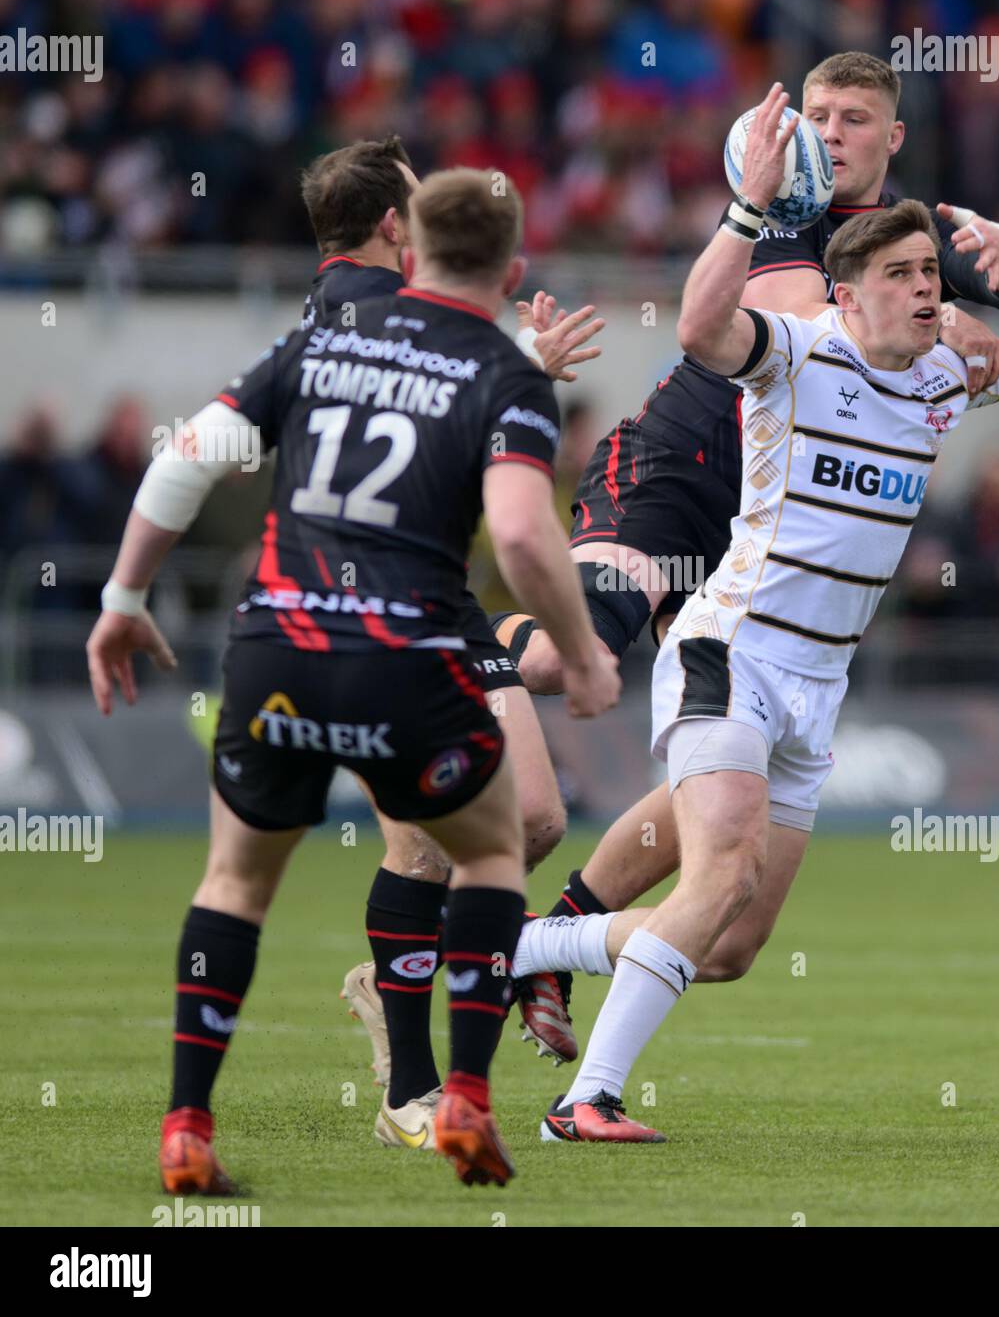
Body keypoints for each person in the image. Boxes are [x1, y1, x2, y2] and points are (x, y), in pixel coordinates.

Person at [505, 86, 999, 1142]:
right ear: (845, 292)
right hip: (731, 648)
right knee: (717, 866)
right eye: (906, 277)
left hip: (818, 687)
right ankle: (584, 1101)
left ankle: (518, 948)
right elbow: (699, 325)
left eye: (933, 274)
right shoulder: (791, 357)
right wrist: (745, 209)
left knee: (730, 943)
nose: (930, 292)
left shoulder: (942, 379)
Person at [481, 50, 999, 1056]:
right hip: (676, 474)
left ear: (893, 138)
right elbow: (797, 325)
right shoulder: (780, 209)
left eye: (854, 117)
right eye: (816, 112)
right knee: (586, 646)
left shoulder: (902, 242)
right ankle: (456, 659)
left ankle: (548, 938)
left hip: (762, 529)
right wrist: (946, 323)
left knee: (710, 799)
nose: (829, 132)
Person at [85, 167, 621, 1189]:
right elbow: (515, 522)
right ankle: (443, 1089)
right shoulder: (462, 350)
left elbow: (184, 459)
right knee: (500, 845)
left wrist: (122, 599)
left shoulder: (318, 338)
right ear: (405, 237)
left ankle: (189, 1123)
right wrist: (584, 653)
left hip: (280, 636)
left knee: (237, 881)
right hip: (407, 635)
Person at [296, 138, 600, 1121]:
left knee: (535, 819)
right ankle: (412, 1085)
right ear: (395, 226)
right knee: (430, 848)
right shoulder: (368, 307)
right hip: (361, 607)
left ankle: (402, 984)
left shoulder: (381, 313)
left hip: (437, 598)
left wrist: (522, 374)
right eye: (422, 205)